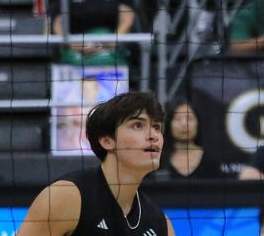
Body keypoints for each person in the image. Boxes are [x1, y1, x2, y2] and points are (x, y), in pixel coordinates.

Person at [15, 92, 172, 236]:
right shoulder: (66, 196)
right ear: (106, 140)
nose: (154, 136)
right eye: (138, 125)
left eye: (157, 127)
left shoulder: (159, 221)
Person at [158, 101, 225, 179]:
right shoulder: (158, 160)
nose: (184, 124)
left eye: (189, 118)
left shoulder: (211, 160)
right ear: (169, 124)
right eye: (178, 119)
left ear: (198, 123)